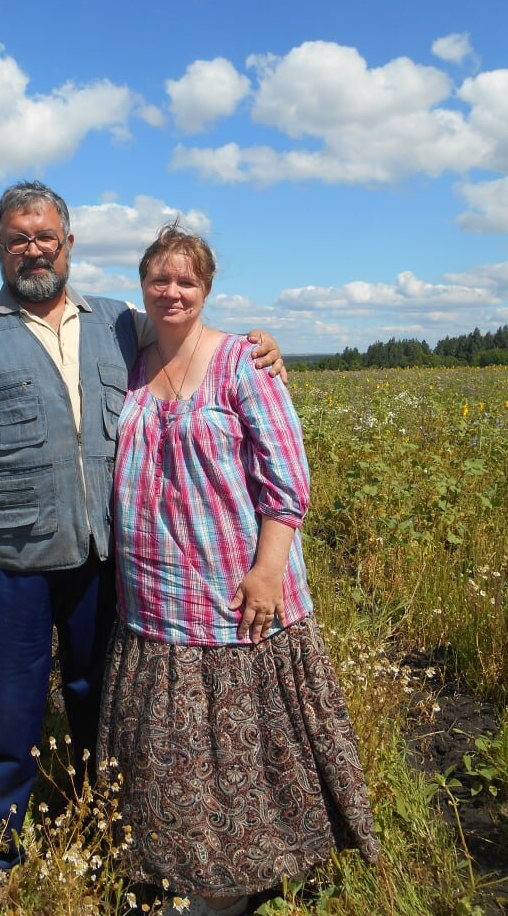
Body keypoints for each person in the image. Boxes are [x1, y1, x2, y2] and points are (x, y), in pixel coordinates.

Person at [0, 182, 285, 871]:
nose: (33, 249)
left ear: (69, 243)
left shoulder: (116, 323)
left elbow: (185, 335)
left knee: (105, 705)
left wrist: (256, 345)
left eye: (45, 236)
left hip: (106, 558)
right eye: (18, 238)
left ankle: (108, 835)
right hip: (6, 559)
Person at [97, 224, 379, 916]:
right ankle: (175, 866)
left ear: (207, 288)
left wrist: (268, 569)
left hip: (236, 591)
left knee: (245, 754)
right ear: (142, 286)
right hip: (155, 600)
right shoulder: (130, 361)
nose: (172, 291)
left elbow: (287, 480)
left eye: (186, 280)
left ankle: (249, 879)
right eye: (159, 279)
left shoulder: (242, 363)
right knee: (175, 757)